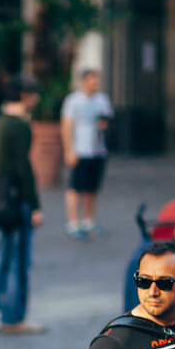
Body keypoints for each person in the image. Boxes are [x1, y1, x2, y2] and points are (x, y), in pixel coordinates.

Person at [0, 76, 44, 334]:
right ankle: (13, 316)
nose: (36, 98)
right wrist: (34, 204)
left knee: (1, 256)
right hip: (16, 197)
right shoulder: (19, 125)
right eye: (33, 94)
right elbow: (23, 168)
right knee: (19, 260)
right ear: (24, 96)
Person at [61, 68, 113, 239]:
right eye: (91, 81)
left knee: (92, 187)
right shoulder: (73, 100)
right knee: (75, 186)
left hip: (98, 149)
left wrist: (104, 126)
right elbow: (66, 126)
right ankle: (73, 222)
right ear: (83, 82)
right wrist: (69, 150)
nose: (94, 84)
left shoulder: (103, 100)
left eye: (96, 81)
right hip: (80, 149)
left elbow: (107, 120)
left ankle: (88, 220)